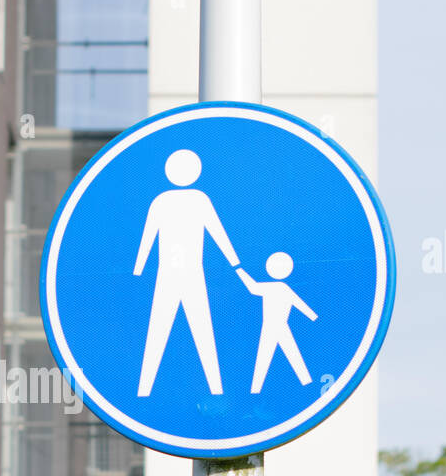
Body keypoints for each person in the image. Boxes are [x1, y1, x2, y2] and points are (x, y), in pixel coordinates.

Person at [132, 149, 241, 397]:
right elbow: (218, 233)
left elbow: (148, 238)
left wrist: (139, 270)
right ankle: (215, 389)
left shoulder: (163, 201)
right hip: (186, 275)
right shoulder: (197, 200)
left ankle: (145, 390)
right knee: (198, 329)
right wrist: (235, 263)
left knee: (164, 330)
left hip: (174, 275)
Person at [234, 252, 318, 393]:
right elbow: (299, 303)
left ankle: (256, 389)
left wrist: (239, 270)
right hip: (277, 326)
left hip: (274, 327)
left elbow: (252, 287)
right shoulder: (282, 287)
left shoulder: (275, 287)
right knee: (289, 355)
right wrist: (312, 317)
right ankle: (306, 383)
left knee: (266, 357)